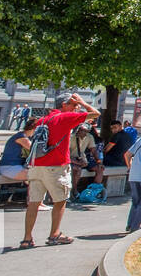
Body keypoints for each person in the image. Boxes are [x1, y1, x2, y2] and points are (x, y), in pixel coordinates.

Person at [21, 93, 99, 249]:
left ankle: (27, 238)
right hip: (55, 166)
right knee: (60, 201)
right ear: (64, 104)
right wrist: (83, 102)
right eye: (73, 103)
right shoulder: (64, 118)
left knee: (34, 203)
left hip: (36, 166)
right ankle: (54, 234)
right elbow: (96, 114)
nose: (76, 107)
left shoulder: (44, 119)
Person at [68, 122, 98, 195]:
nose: (84, 133)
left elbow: (93, 150)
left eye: (86, 131)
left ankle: (94, 191)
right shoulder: (71, 137)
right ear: (78, 130)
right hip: (70, 159)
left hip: (81, 158)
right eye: (82, 130)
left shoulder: (89, 137)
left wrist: (99, 161)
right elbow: (66, 154)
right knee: (77, 169)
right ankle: (74, 190)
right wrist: (76, 162)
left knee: (99, 168)